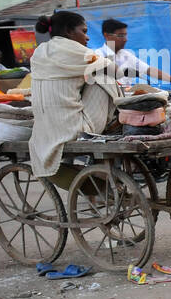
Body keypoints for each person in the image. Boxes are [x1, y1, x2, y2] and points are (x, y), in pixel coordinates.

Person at [27, 11, 121, 179]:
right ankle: (118, 119)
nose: (88, 38)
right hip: (73, 130)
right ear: (69, 31)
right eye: (84, 31)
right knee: (103, 75)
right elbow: (114, 70)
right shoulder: (74, 49)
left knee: (93, 74)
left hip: (45, 130)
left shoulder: (39, 51)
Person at [94, 19, 171, 86]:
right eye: (121, 36)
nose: (125, 40)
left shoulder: (126, 55)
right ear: (107, 36)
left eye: (126, 35)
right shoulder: (98, 56)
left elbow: (148, 70)